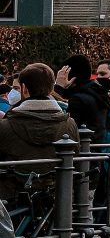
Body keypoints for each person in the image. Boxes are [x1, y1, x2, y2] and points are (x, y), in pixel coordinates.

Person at [0, 64, 79, 204]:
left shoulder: (5, 125)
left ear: (24, 89)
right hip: (55, 199)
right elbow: (77, 161)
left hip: (12, 198)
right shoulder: (70, 124)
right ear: (51, 88)